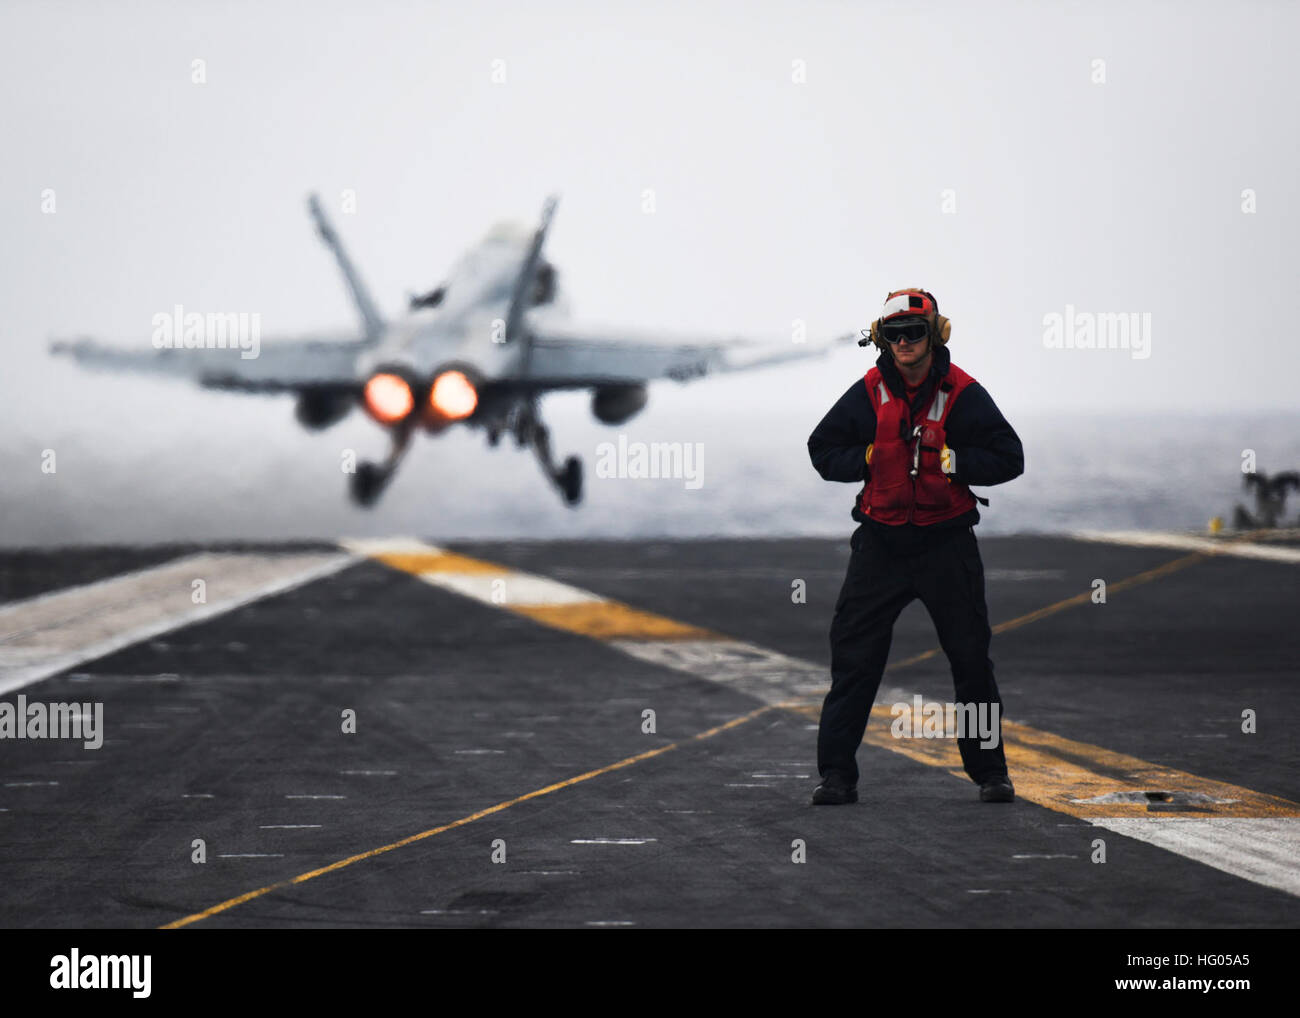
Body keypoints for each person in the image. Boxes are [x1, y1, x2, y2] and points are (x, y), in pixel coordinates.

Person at [807, 288, 1024, 805]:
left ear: (935, 335)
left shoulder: (963, 392)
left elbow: (1010, 457)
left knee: (971, 661)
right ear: (883, 338)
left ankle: (991, 772)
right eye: (896, 333)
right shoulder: (868, 392)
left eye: (915, 332)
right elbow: (821, 450)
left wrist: (956, 462)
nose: (905, 342)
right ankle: (837, 777)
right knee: (854, 662)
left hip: (946, 544)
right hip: (879, 546)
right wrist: (865, 457)